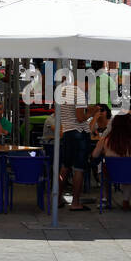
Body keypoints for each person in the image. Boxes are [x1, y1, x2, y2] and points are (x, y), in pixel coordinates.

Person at [91, 113, 131, 210]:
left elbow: (94, 155)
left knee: (101, 170)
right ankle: (126, 201)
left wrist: (104, 151)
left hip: (110, 174)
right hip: (129, 174)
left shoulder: (105, 140)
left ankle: (105, 198)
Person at [54, 79, 91, 211]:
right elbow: (80, 118)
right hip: (79, 133)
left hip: (67, 132)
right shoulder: (79, 93)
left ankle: (57, 199)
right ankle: (75, 202)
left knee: (65, 167)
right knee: (79, 168)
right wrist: (91, 113)